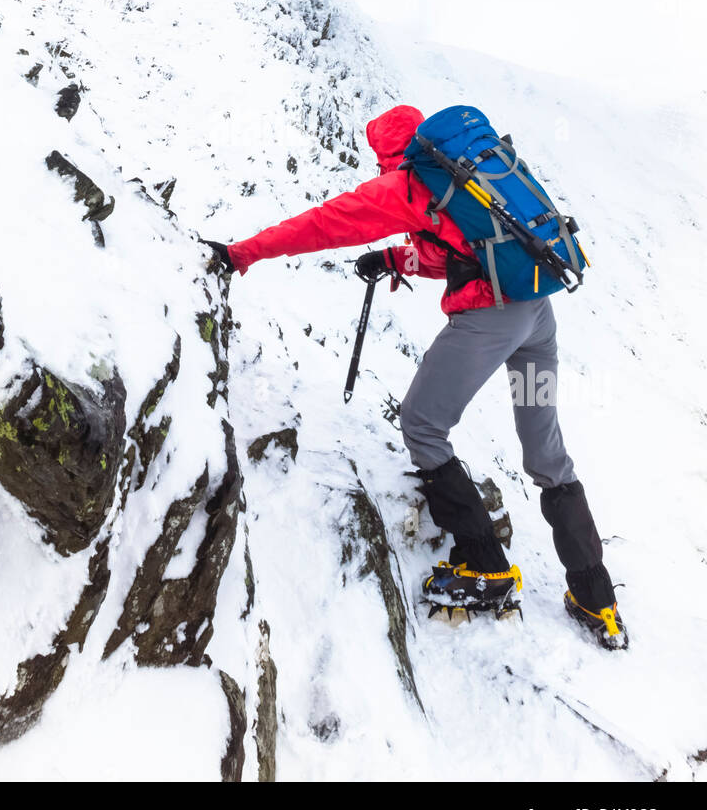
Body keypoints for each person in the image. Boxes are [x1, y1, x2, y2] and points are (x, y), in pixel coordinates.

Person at [205, 104, 627, 648]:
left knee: (423, 425)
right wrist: (395, 261)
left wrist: (242, 254)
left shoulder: (406, 186)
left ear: (391, 154)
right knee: (546, 453)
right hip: (537, 316)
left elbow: (323, 225)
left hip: (491, 322)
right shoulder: (469, 181)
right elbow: (465, 248)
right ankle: (597, 598)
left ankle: (484, 567)